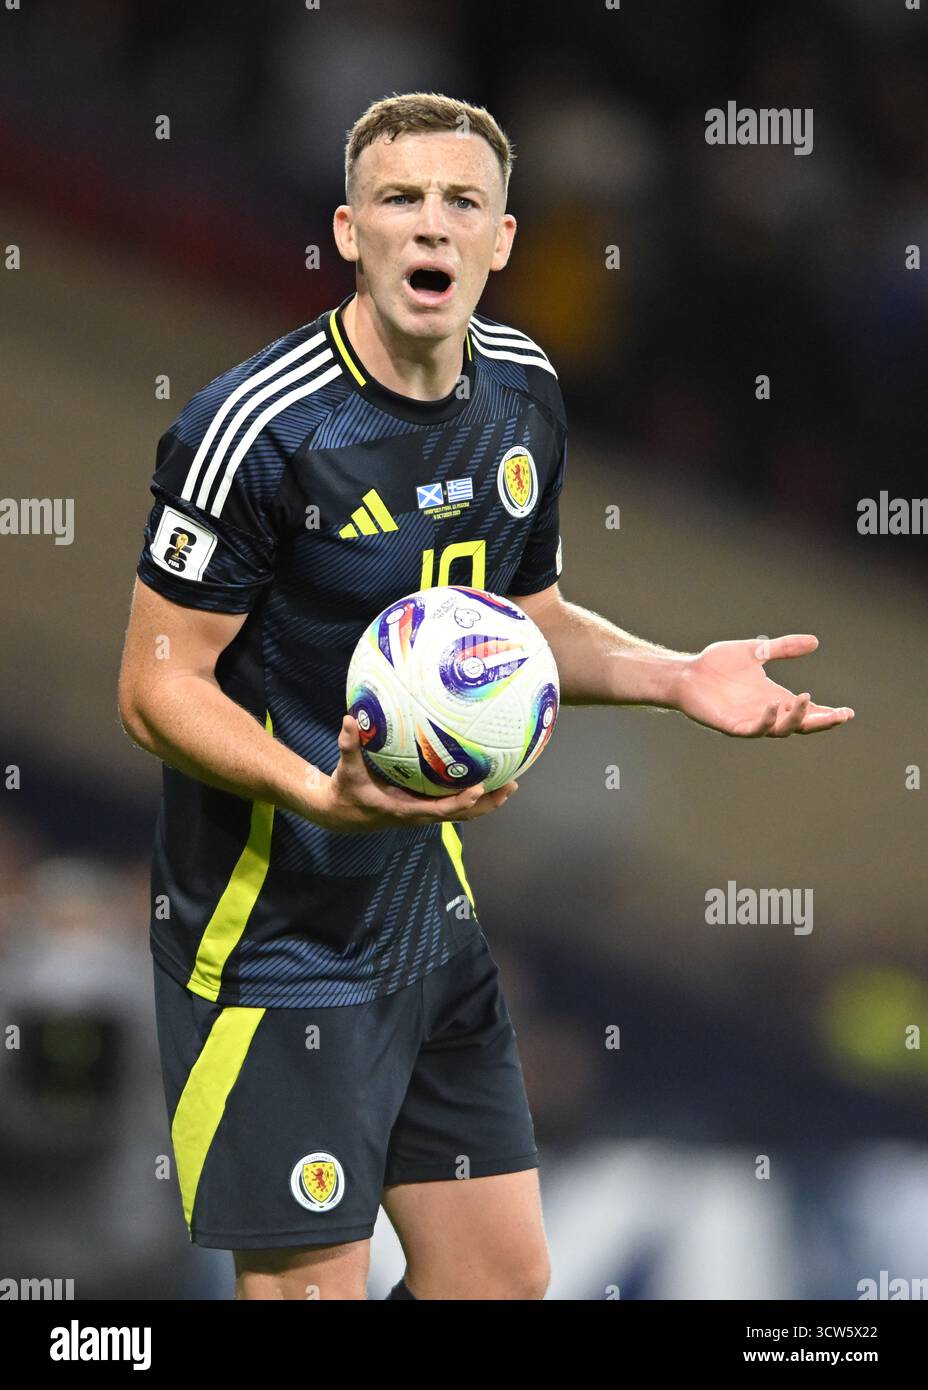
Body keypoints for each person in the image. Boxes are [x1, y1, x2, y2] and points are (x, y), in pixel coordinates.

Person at [117, 91, 853, 1301]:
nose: (431, 228)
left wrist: (676, 676)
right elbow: (155, 688)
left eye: (462, 202)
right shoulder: (255, 429)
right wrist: (319, 791)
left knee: (500, 1284)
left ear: (504, 239)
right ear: (348, 230)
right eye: (400, 199)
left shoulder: (521, 389)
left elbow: (532, 626)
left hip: (425, 910)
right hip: (270, 942)